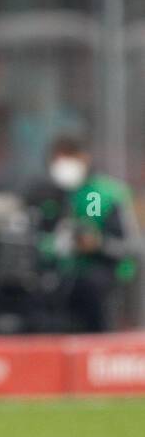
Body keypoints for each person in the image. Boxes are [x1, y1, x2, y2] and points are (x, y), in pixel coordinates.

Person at [31, 135, 138, 332]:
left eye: (68, 157)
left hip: (103, 273)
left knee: (91, 287)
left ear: (83, 158)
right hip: (59, 273)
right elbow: (35, 236)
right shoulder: (46, 194)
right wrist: (54, 245)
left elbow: (126, 247)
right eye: (56, 159)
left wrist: (97, 244)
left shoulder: (105, 194)